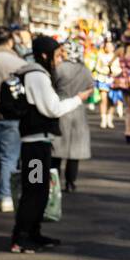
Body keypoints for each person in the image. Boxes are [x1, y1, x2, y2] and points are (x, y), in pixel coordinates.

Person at [5, 36, 92, 252]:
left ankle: (33, 233)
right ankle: (21, 237)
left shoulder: (34, 73)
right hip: (34, 145)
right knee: (34, 191)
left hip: (39, 142)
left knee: (40, 190)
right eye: (58, 54)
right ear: (45, 55)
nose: (60, 59)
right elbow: (52, 108)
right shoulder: (37, 75)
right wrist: (78, 99)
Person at [0, 26, 24, 213]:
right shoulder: (17, 63)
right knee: (9, 158)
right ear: (9, 41)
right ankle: (6, 196)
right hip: (11, 117)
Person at [51, 39, 96, 193]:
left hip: (61, 107)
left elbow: (52, 85)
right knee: (74, 151)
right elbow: (91, 87)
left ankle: (54, 182)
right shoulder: (85, 70)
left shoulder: (59, 68)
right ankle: (71, 182)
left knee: (56, 150)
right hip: (78, 110)